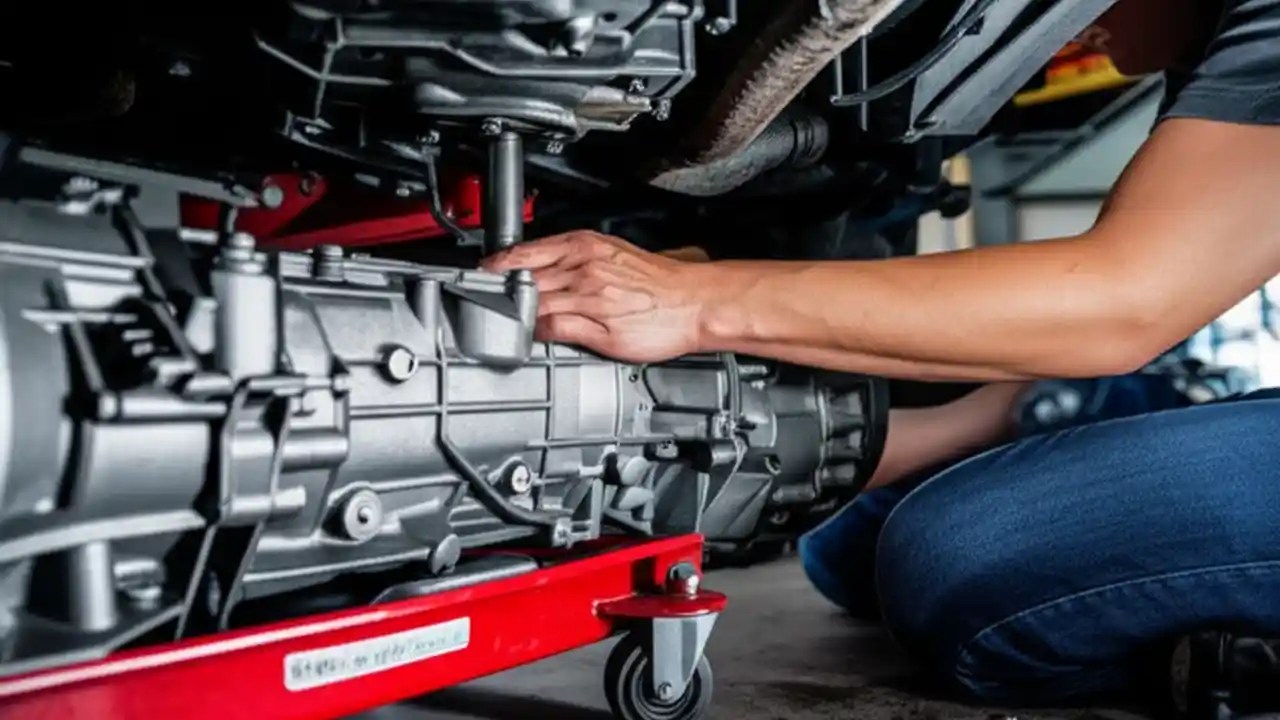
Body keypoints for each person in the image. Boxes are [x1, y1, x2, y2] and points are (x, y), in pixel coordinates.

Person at [483, 0, 1280, 706]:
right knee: (844, 540)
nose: (1061, 29)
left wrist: (694, 302)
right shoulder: (1212, 44)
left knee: (961, 559)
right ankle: (1048, 414)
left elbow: (1129, 299)